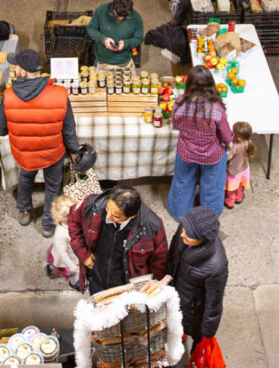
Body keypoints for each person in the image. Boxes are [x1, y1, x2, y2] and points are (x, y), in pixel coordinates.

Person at [0, 48, 80, 237]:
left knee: (25, 178)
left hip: (25, 153)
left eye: (16, 66)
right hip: (53, 153)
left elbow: (0, 130)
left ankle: (24, 211)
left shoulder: (8, 96)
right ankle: (48, 225)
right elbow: (69, 128)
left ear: (23, 72)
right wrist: (74, 151)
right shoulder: (60, 94)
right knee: (53, 185)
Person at [68, 186, 168, 294]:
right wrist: (83, 254)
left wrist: (156, 288)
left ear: (132, 216)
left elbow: (159, 262)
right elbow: (74, 221)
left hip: (128, 290)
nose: (108, 216)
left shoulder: (152, 225)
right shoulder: (92, 205)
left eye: (115, 216)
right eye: (107, 208)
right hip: (97, 282)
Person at [167, 66, 234, 220]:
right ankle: (209, 215)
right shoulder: (216, 109)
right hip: (211, 154)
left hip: (186, 152)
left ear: (189, 83)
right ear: (210, 84)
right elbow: (224, 133)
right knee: (212, 184)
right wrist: (229, 143)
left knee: (183, 181)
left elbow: (176, 125)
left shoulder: (179, 103)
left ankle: (180, 212)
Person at [167, 206, 228, 349]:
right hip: (178, 295)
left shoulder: (216, 267)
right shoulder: (186, 227)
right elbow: (173, 255)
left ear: (202, 239)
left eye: (188, 236)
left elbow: (214, 304)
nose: (182, 235)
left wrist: (208, 334)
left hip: (194, 311)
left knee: (197, 336)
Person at [88, 0, 144, 71]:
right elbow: (91, 29)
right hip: (102, 61)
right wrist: (103, 40)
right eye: (119, 15)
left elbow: (139, 38)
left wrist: (126, 43)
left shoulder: (136, 18)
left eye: (125, 16)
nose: (121, 18)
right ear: (113, 8)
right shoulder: (101, 11)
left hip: (124, 62)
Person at [45, 195, 82, 290]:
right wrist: (72, 266)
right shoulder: (61, 234)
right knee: (58, 266)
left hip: (70, 251)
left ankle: (50, 265)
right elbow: (63, 254)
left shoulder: (71, 223)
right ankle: (50, 267)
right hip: (65, 259)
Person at [225, 122, 255, 209]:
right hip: (244, 169)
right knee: (240, 186)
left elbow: (228, 157)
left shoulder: (236, 146)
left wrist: (229, 147)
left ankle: (230, 202)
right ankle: (239, 197)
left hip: (234, 171)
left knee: (231, 188)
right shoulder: (249, 142)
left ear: (238, 138)